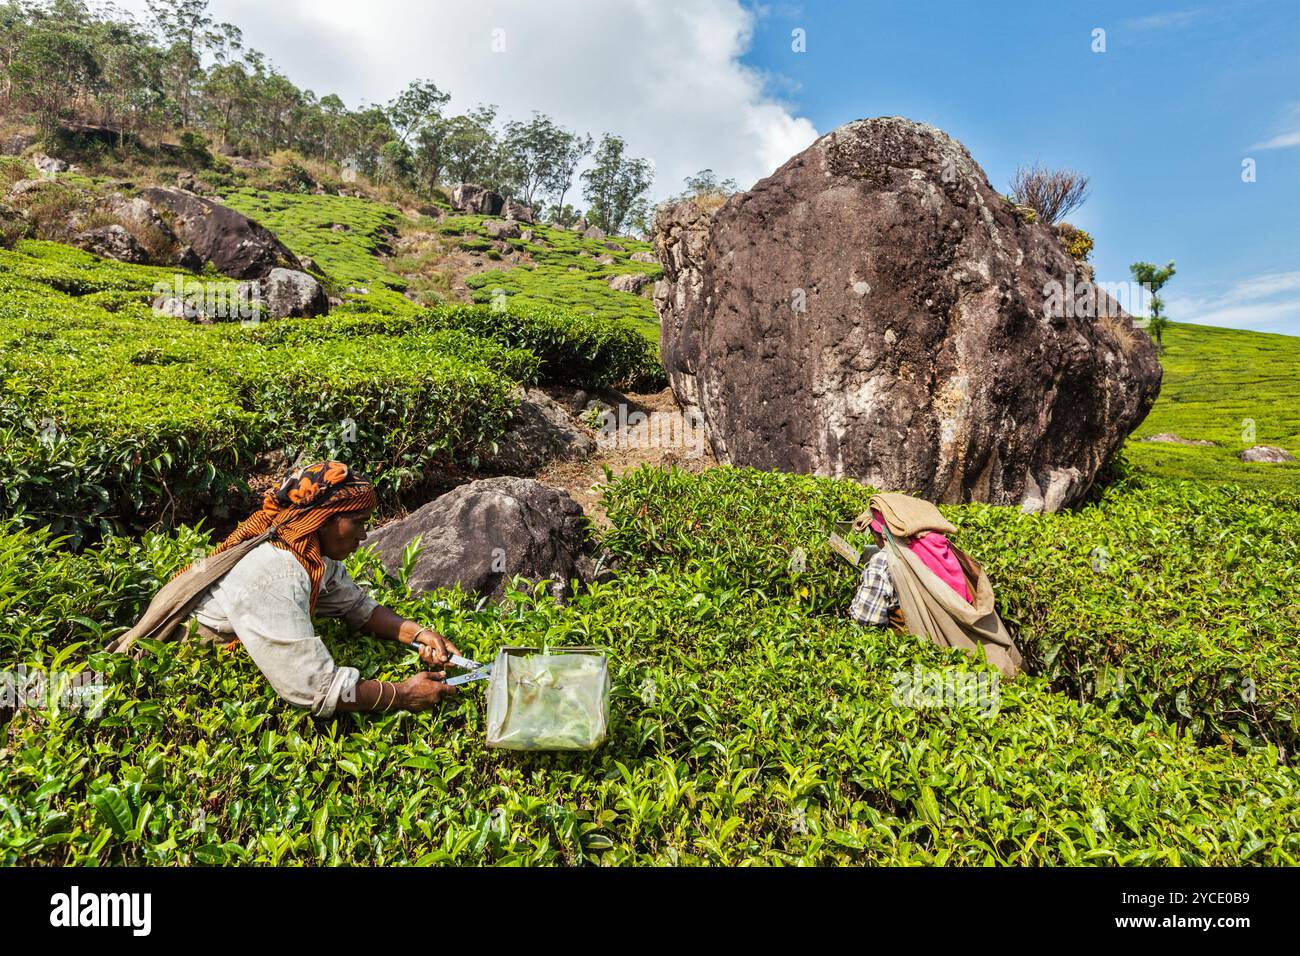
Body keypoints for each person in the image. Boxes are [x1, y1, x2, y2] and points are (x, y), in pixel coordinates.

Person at [108, 460, 461, 717]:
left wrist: (419, 634)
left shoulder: (308, 554)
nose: (365, 536)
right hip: (169, 681)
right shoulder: (275, 574)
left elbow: (357, 608)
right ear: (321, 520)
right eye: (358, 523)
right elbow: (312, 688)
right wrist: (401, 694)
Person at [846, 492, 1023, 679]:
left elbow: (865, 621)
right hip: (990, 664)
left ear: (882, 533)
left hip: (924, 669)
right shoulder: (945, 551)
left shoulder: (884, 562)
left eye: (873, 533)